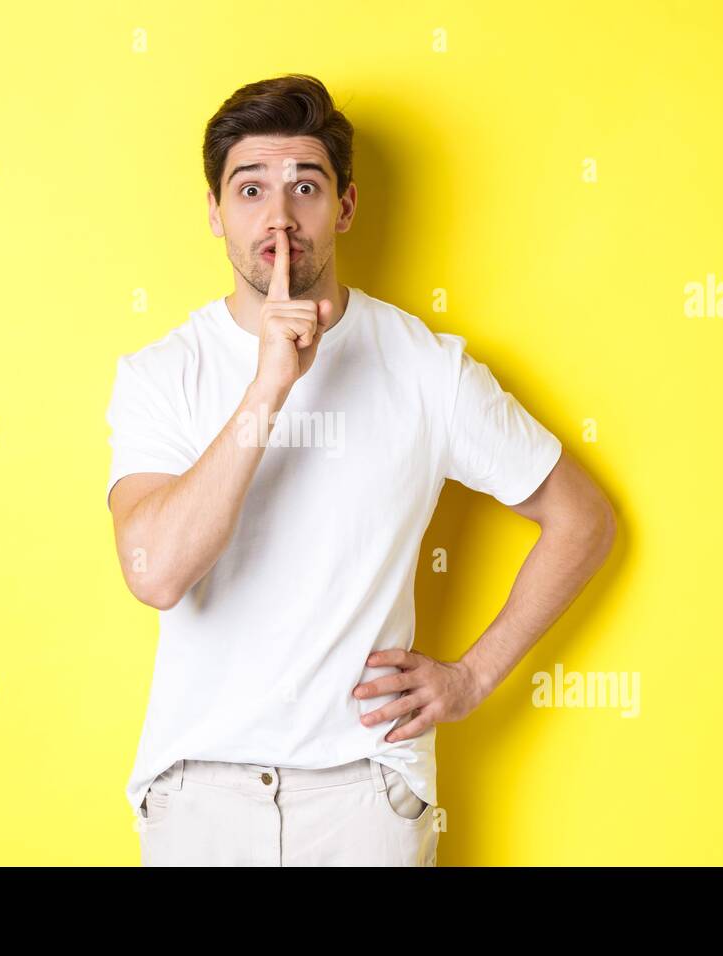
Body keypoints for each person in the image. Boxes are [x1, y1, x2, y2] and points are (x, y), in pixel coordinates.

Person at [105, 74, 617, 866]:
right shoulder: (159, 375)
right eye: (250, 190)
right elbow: (156, 574)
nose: (278, 217)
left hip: (363, 799)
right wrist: (271, 384)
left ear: (343, 207)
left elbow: (584, 518)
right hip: (197, 796)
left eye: (304, 186)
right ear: (215, 212)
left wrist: (472, 678)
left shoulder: (426, 368)